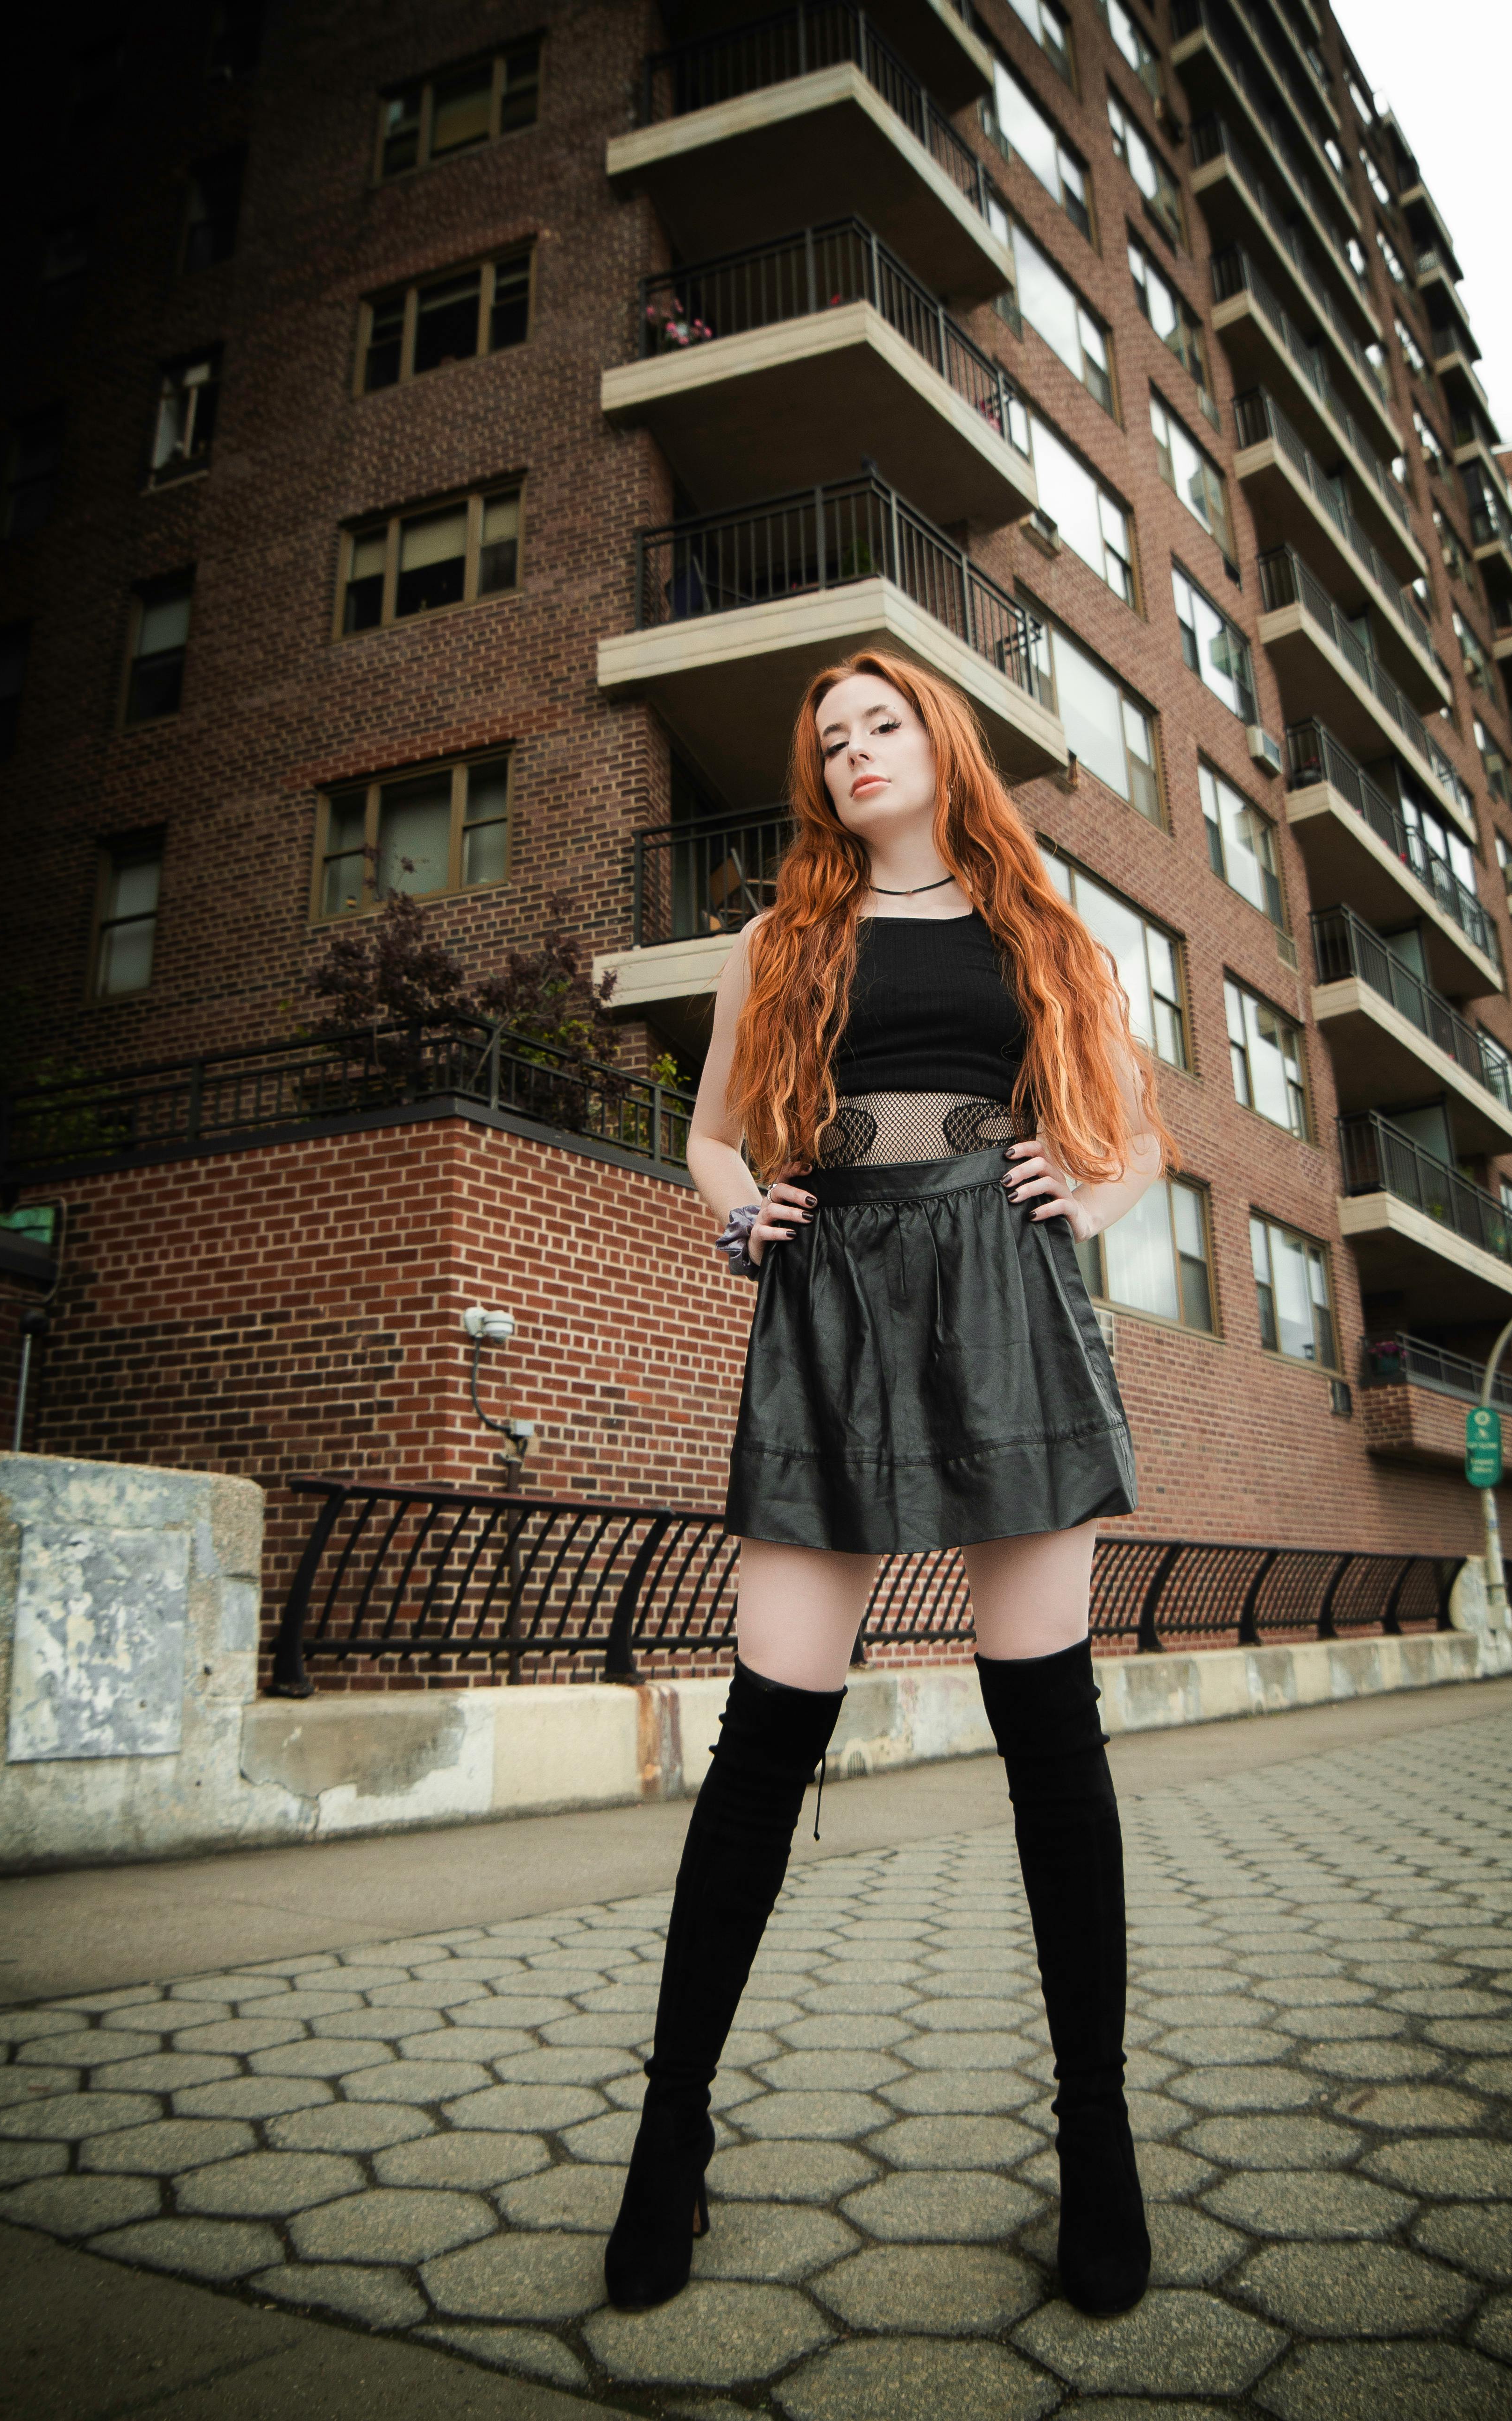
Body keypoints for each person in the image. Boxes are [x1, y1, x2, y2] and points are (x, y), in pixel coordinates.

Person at [604, 649, 1170, 2320]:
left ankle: (1099, 2137)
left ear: (942, 741)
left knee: (1049, 1740)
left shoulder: (1049, 933)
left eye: (881, 722)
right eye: (828, 738)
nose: (853, 751)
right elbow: (714, 1136)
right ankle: (669, 2137)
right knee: (765, 1742)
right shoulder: (784, 940)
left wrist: (1088, 1193)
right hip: (831, 1294)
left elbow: (1136, 1140)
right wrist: (736, 1211)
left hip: (1004, 1294)